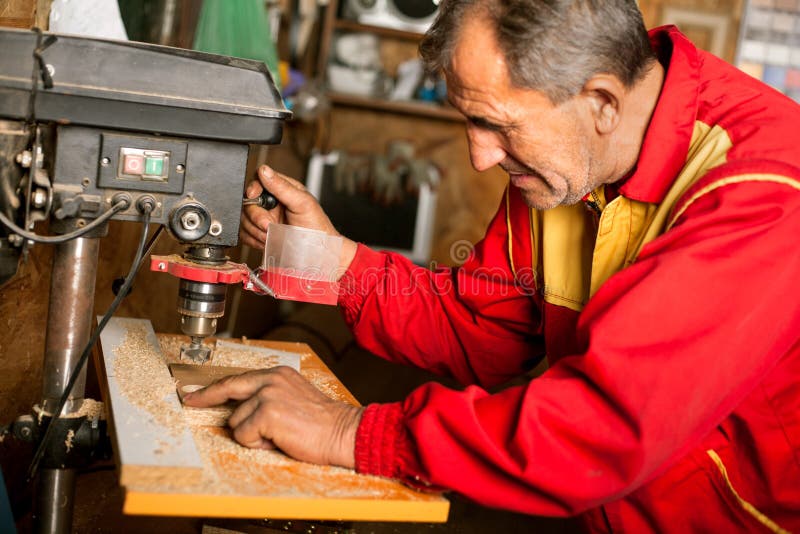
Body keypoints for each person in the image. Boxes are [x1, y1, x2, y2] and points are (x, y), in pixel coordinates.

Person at [184, 0, 800, 531]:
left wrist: (349, 433)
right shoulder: (566, 159)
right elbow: (479, 326)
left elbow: (601, 429)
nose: (482, 157)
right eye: (470, 120)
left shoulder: (765, 185)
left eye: (497, 126)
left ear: (604, 102)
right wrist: (333, 263)